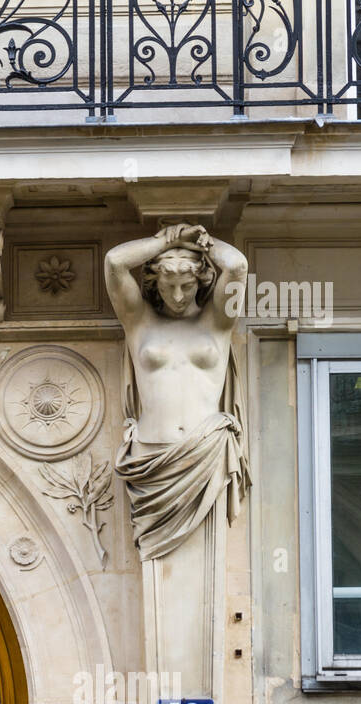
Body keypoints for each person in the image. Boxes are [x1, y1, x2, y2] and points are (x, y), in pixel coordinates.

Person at [103, 223, 250, 562]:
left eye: (186, 285)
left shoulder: (217, 322)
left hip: (205, 452)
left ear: (201, 281)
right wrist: (163, 242)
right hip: (152, 462)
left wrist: (203, 245)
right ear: (155, 283)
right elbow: (114, 262)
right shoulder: (139, 322)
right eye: (170, 286)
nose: (179, 295)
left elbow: (238, 266)